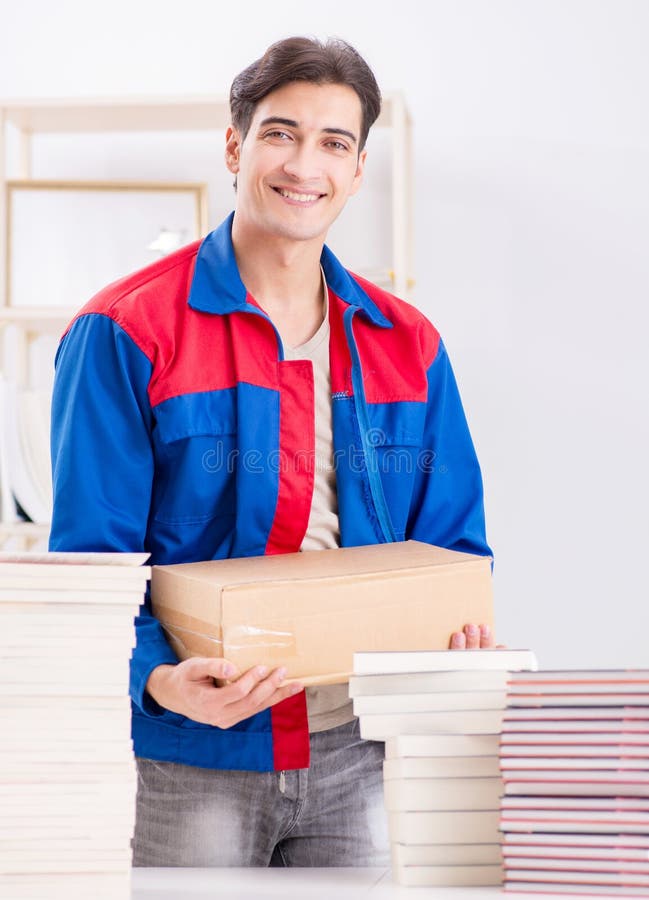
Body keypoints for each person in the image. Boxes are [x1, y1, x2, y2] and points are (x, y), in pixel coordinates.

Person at [49, 36, 494, 868]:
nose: (303, 165)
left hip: (361, 749)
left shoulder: (408, 345)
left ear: (356, 170)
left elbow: (452, 547)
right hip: (192, 757)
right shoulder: (126, 332)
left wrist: (457, 637)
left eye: (333, 143)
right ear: (235, 146)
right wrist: (159, 679)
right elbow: (89, 567)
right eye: (280, 134)